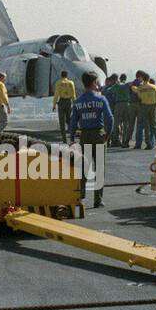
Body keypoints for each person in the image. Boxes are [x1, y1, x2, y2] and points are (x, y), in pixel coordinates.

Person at [68, 72, 114, 208]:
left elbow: (72, 122)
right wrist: (107, 134)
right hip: (98, 136)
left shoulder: (78, 102)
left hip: (85, 137)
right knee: (99, 168)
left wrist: (71, 138)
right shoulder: (101, 99)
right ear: (94, 82)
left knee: (84, 168)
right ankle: (97, 200)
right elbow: (110, 118)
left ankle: (80, 197)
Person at [134, 72, 156, 150]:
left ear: (143, 79)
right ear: (149, 79)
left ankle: (148, 144)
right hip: (153, 106)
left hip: (144, 106)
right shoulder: (154, 87)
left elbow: (139, 96)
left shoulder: (140, 88)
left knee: (146, 126)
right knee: (155, 126)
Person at [109, 73, 133, 148]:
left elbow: (109, 91)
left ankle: (116, 140)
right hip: (127, 104)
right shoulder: (127, 85)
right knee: (126, 124)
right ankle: (125, 141)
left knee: (116, 123)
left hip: (118, 104)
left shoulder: (117, 85)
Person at [52, 71, 76, 143]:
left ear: (61, 75)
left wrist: (54, 105)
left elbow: (56, 95)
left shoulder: (59, 83)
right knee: (69, 121)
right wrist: (74, 104)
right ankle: (72, 139)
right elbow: (74, 95)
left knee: (62, 122)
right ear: (67, 75)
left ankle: (64, 140)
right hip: (68, 102)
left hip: (61, 102)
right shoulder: (71, 83)